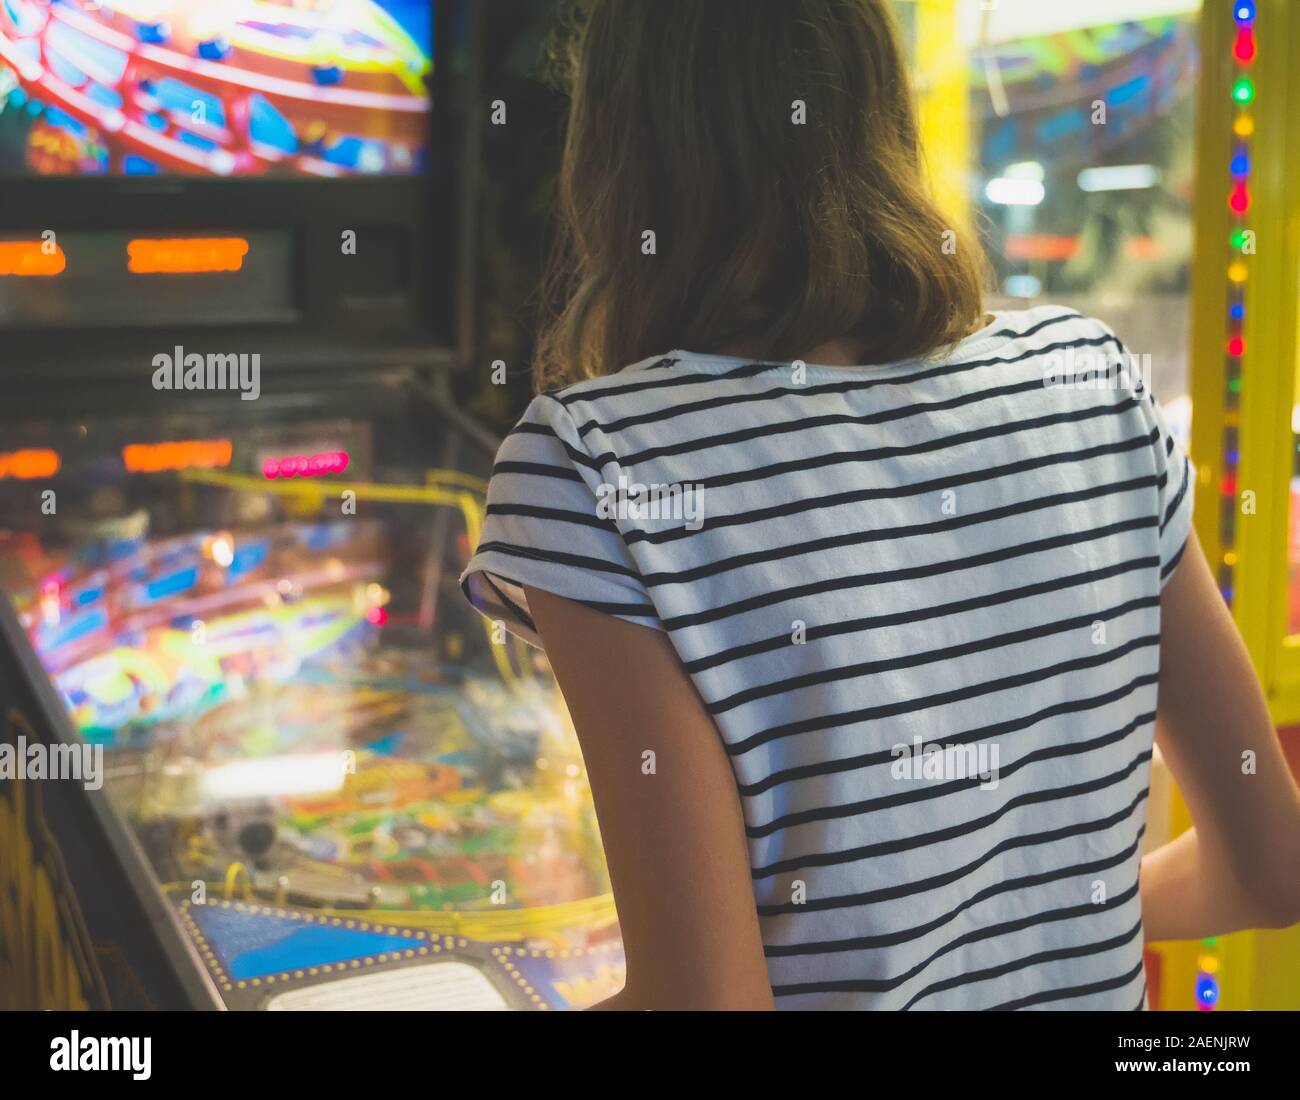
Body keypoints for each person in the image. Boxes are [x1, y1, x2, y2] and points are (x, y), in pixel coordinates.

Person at [461, 0, 1300, 1010]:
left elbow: (705, 999)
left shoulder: (595, 458)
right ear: (878, 107)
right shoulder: (1092, 380)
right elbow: (1271, 866)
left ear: (614, 146)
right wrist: (1035, 912)